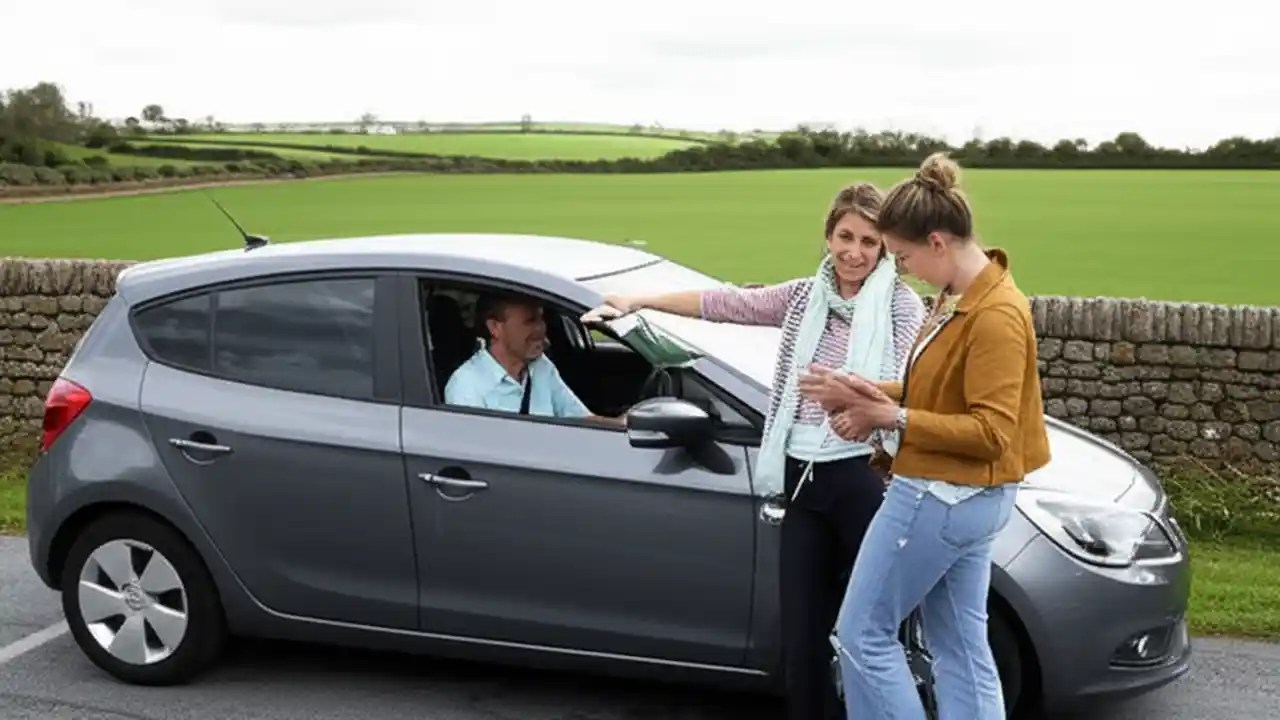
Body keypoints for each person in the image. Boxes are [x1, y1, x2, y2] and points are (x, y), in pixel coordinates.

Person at [582, 183, 926, 720]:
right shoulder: (803, 297)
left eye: (868, 242)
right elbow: (727, 304)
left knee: (870, 630)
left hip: (865, 480)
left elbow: (906, 383)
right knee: (802, 634)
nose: (854, 252)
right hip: (799, 478)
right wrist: (638, 301)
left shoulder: (902, 306)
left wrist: (849, 392)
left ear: (884, 249)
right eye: (844, 237)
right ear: (828, 235)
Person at [798, 153, 1051, 720]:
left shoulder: (995, 317)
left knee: (861, 635)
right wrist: (863, 388)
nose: (902, 268)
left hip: (939, 496)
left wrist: (890, 417)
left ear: (937, 242)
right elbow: (934, 388)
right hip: (965, 500)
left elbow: (990, 432)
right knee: (960, 647)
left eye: (904, 256)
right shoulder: (962, 297)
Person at [446, 292, 621, 425]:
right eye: (530, 321)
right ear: (495, 328)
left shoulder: (541, 366)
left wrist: (625, 424)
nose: (541, 328)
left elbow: (583, 420)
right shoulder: (466, 388)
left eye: (541, 318)